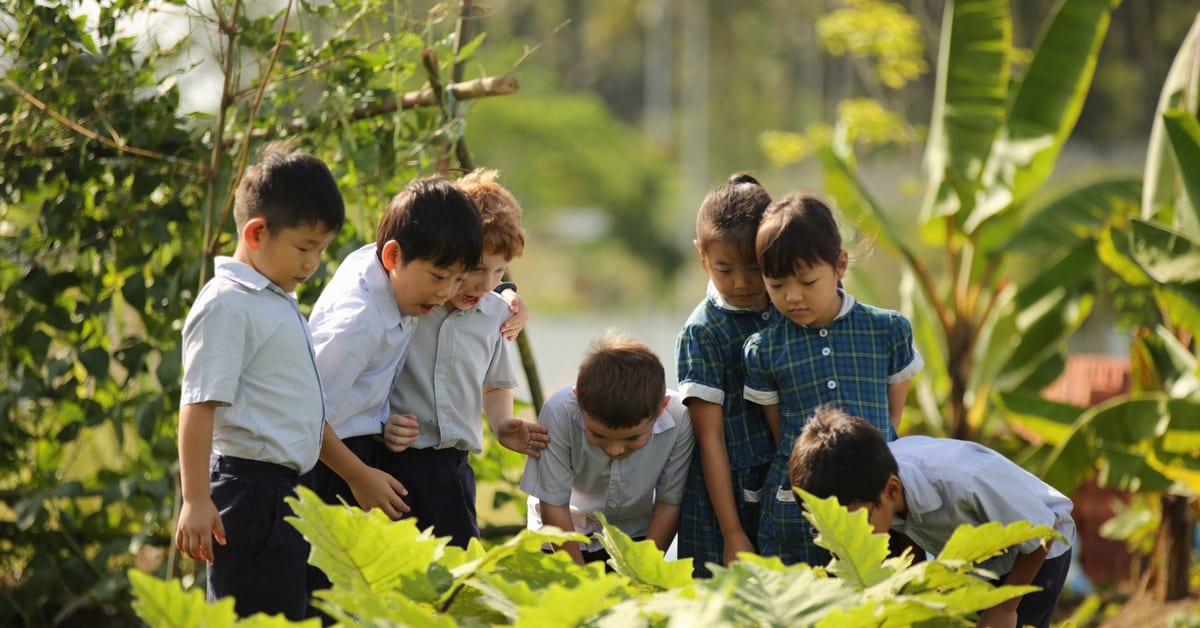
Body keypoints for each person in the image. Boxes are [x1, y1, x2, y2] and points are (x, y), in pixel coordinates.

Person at [175, 143, 404, 620]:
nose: (313, 263)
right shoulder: (227, 304)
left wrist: (356, 475)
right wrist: (196, 499)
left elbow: (303, 415)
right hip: (248, 491)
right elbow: (198, 405)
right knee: (258, 617)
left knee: (293, 613)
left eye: (321, 250)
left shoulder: (276, 300)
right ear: (256, 232)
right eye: (304, 247)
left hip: (289, 491)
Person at [302, 177, 481, 600]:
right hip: (331, 463)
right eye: (439, 276)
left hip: (359, 447)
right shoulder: (358, 322)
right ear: (393, 255)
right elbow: (307, 417)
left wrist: (507, 296)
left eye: (458, 279)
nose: (446, 293)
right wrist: (359, 477)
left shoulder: (389, 271)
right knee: (335, 595)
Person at [743, 191, 923, 566]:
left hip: (875, 503)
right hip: (799, 510)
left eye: (808, 282)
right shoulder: (764, 350)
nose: (793, 297)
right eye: (776, 286)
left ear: (840, 265)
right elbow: (783, 437)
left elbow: (890, 421)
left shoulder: (886, 330)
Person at [379, 168, 548, 548]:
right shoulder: (410, 306)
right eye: (474, 270)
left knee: (455, 579)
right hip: (394, 464)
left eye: (499, 271)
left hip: (453, 471)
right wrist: (384, 422)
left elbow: (494, 383)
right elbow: (371, 379)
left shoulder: (493, 315)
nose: (486, 284)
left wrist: (503, 423)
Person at [790, 406, 1076, 628]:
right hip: (980, 560)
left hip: (1040, 550)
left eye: (853, 524)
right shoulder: (873, 488)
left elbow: (1041, 530)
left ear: (891, 490)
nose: (846, 537)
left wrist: (1005, 607)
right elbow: (906, 533)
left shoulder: (963, 481)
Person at [675, 174, 780, 577]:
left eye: (755, 268)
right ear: (702, 256)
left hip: (783, 481)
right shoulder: (703, 332)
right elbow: (710, 437)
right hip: (725, 497)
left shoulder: (786, 304)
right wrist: (732, 531)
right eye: (725, 268)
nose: (741, 282)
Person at [520, 332, 695, 565]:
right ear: (578, 400)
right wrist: (579, 579)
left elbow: (669, 502)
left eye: (632, 438)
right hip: (561, 536)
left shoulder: (681, 419)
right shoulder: (559, 411)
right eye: (598, 435)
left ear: (662, 407)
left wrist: (643, 572)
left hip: (636, 538)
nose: (614, 449)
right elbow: (553, 503)